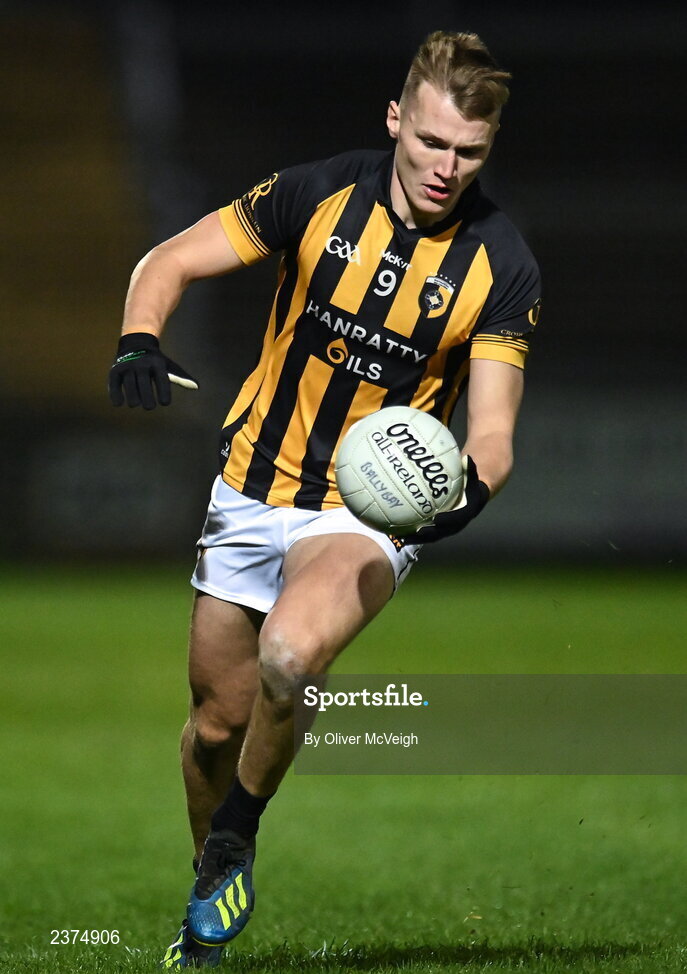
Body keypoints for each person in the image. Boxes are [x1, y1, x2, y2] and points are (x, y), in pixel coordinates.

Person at [109, 30, 541, 968]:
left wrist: (467, 489)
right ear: (396, 119)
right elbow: (168, 261)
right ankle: (210, 878)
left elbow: (495, 431)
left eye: (468, 152)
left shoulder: (499, 265)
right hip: (249, 489)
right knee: (213, 731)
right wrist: (140, 338)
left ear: (488, 149)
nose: (444, 167)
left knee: (290, 655)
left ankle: (238, 836)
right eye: (430, 142)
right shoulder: (314, 195)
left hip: (365, 511)